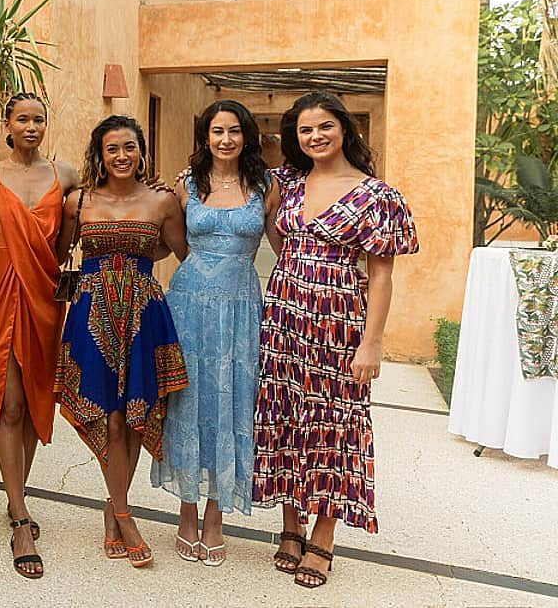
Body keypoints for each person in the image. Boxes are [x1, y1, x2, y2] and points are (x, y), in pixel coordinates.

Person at [254, 91, 418, 589]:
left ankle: (323, 536)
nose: (315, 137)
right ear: (295, 138)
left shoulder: (376, 196)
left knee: (335, 425)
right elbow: (268, 227)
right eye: (305, 130)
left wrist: (372, 343)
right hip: (283, 316)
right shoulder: (285, 182)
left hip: (340, 323)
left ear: (344, 129)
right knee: (284, 414)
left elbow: (382, 276)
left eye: (324, 126)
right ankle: (289, 526)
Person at [55, 115, 188, 569]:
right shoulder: (79, 201)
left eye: (129, 147)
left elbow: (180, 252)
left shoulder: (162, 201)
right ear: (100, 154)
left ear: (141, 150)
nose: (122, 156)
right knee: (108, 418)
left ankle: (115, 512)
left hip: (143, 315)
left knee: (134, 417)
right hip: (91, 317)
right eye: (112, 149)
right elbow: (58, 256)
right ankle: (125, 514)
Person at [151, 100, 279, 566]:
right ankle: (186, 509)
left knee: (231, 403)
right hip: (187, 305)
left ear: (247, 136)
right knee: (188, 402)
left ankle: (215, 515)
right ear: (204, 137)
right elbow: (175, 245)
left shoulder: (266, 187)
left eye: (234, 131)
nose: (225, 140)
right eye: (216, 131)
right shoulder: (185, 186)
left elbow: (284, 250)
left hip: (241, 309)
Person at [0, 92, 78, 578]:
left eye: (39, 118)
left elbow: (67, 242)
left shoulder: (68, 175)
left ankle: (18, 495)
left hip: (47, 299)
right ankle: (19, 515)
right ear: (7, 125)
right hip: (3, 293)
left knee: (38, 404)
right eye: (23, 119)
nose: (32, 126)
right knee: (10, 403)